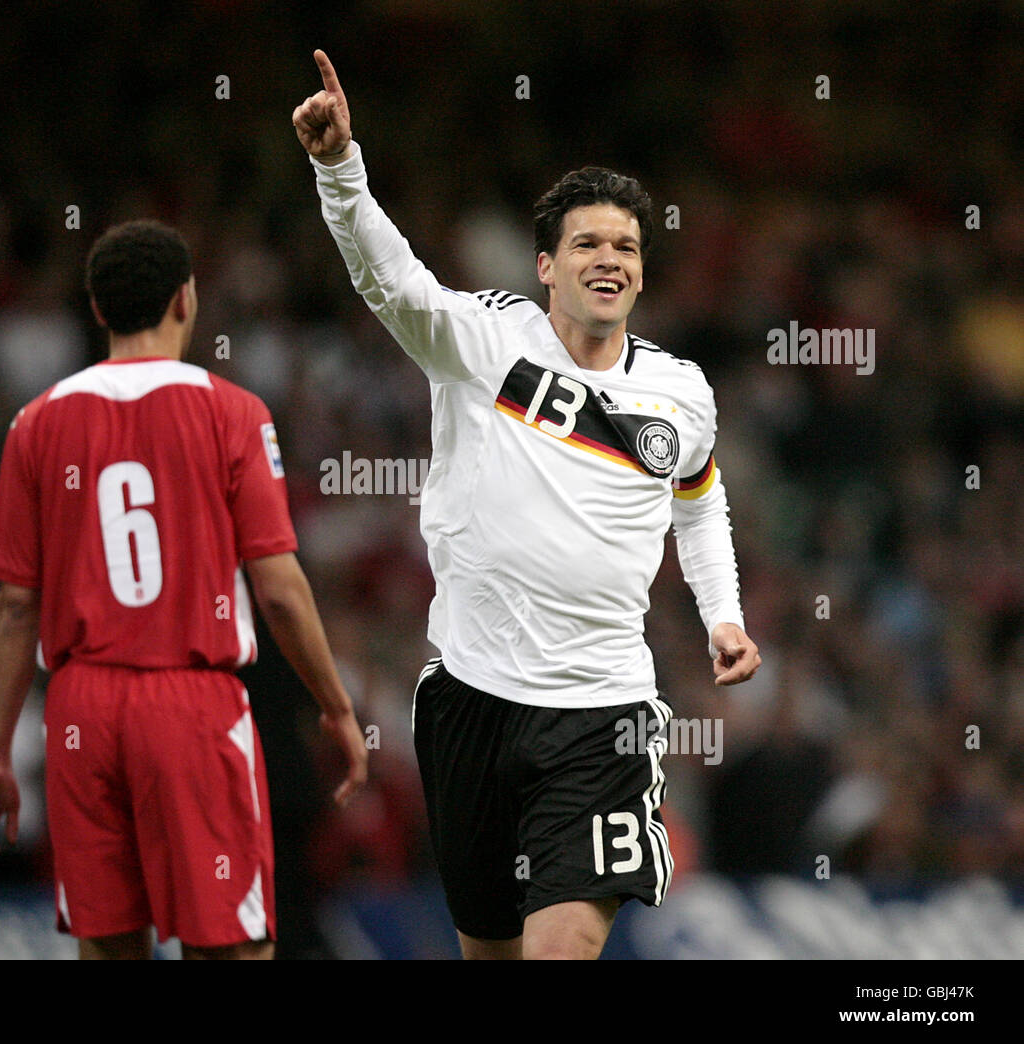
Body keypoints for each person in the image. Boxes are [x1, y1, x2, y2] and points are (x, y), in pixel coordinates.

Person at [293, 50, 760, 960]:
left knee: (561, 952)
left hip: (602, 713)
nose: (609, 260)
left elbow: (700, 502)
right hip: (469, 700)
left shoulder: (679, 393)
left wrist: (723, 618)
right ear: (546, 264)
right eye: (588, 243)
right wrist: (339, 170)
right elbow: (390, 280)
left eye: (625, 246)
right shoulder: (481, 342)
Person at [0, 219, 367, 960]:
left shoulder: (35, 423)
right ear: (187, 299)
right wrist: (336, 707)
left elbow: (17, 604)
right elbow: (278, 589)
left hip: (81, 709)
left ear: (96, 309)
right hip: (191, 704)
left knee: (110, 946)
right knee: (233, 945)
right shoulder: (233, 412)